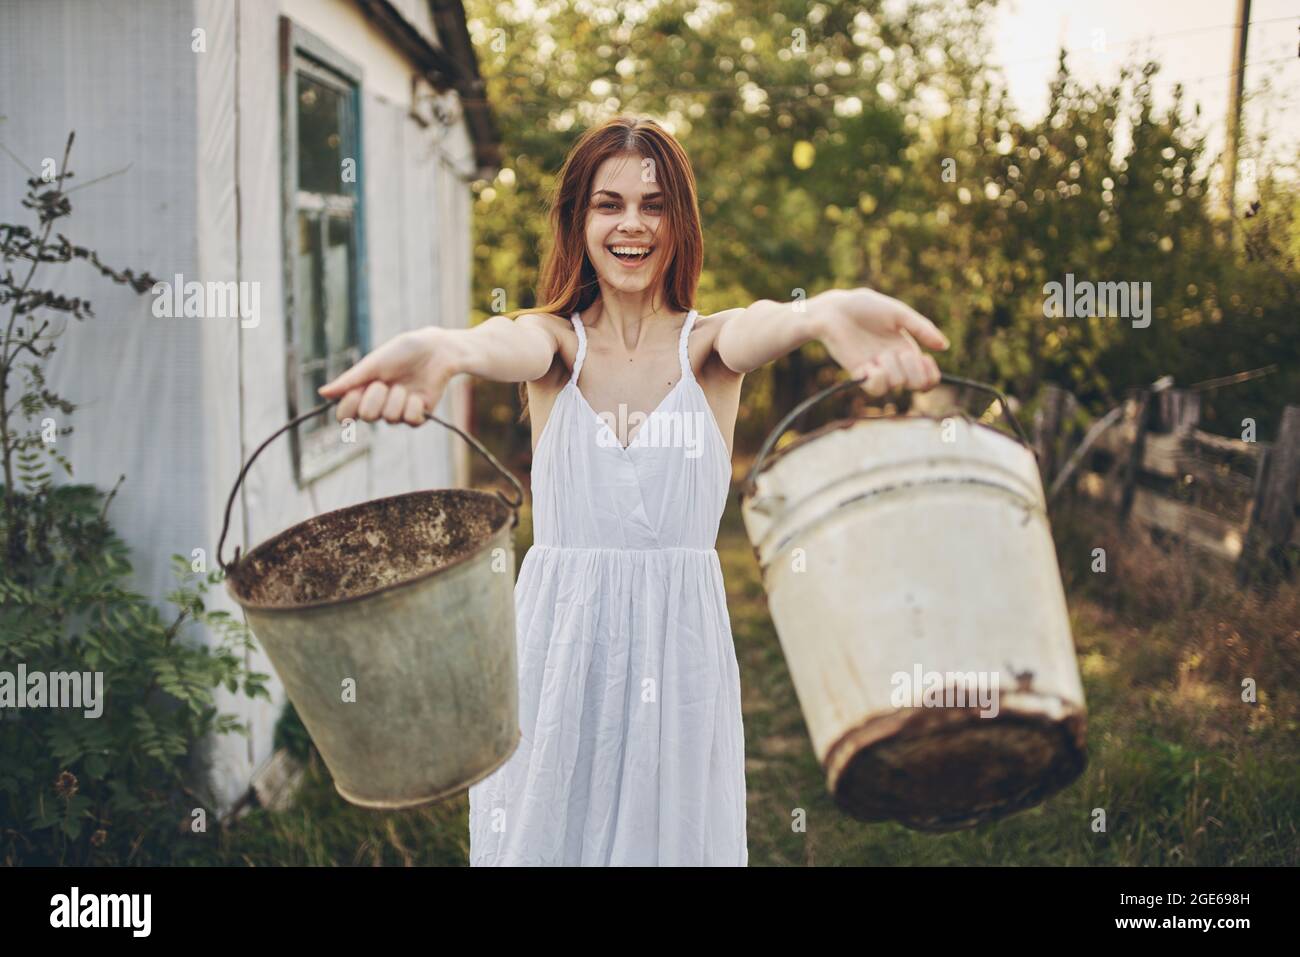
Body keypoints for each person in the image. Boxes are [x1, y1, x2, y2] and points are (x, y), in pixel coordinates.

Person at [318, 115, 948, 866]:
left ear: (679, 222)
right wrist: (447, 349)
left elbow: (761, 324)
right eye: (608, 203)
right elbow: (502, 339)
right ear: (579, 219)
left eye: (654, 205)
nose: (632, 224)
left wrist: (820, 312)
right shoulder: (554, 346)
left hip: (676, 661)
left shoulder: (709, 351)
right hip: (556, 655)